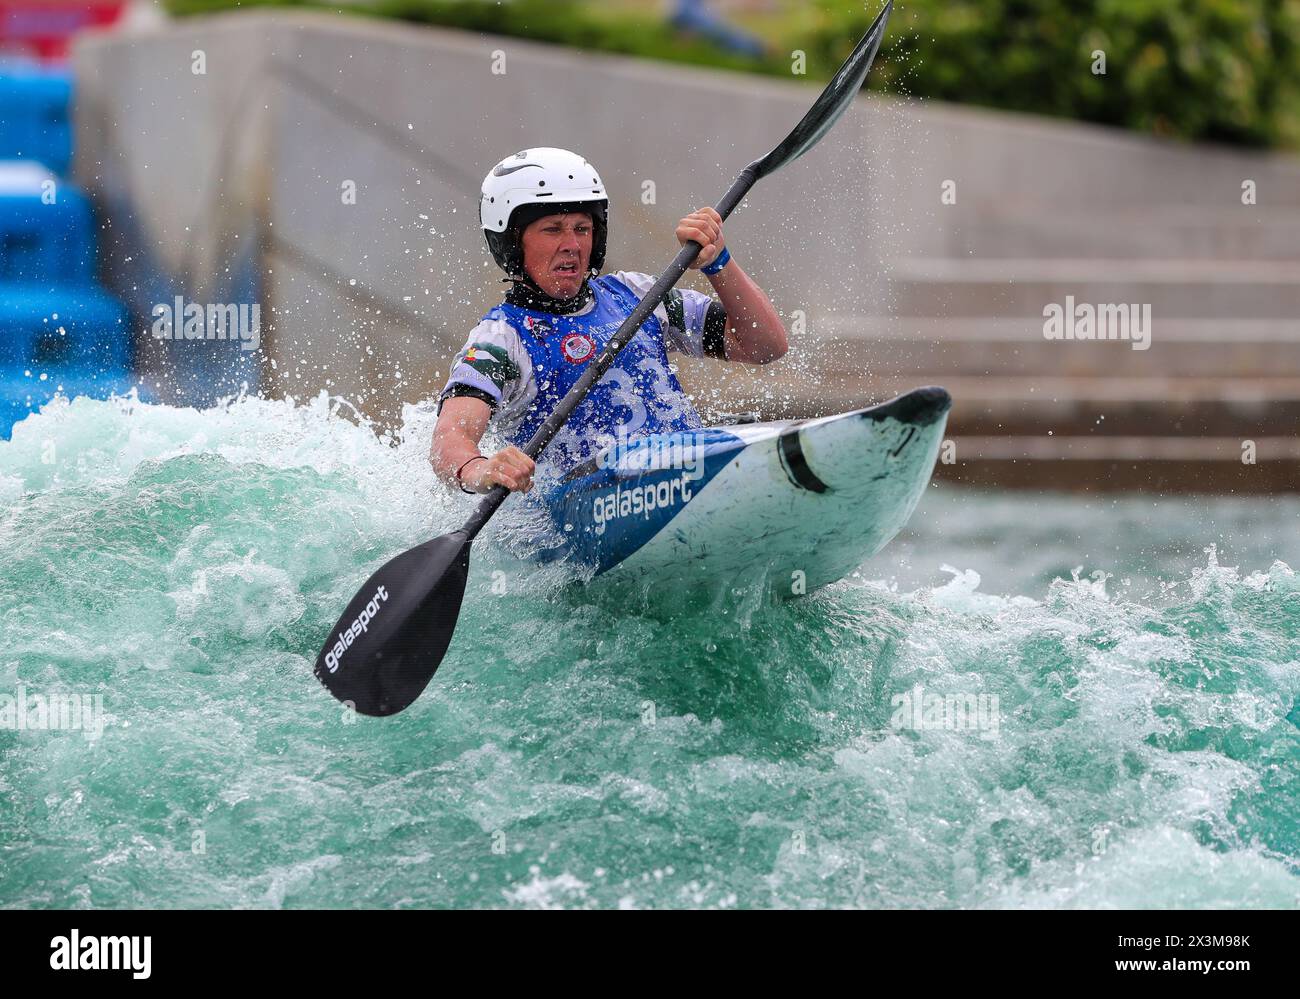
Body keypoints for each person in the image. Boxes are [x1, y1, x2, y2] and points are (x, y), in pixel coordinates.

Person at [431, 147, 787, 495]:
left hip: (684, 481)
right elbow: (451, 437)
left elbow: (765, 345)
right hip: (584, 517)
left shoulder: (638, 294)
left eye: (582, 228)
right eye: (553, 229)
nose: (572, 244)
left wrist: (718, 261)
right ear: (511, 244)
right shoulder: (500, 340)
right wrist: (480, 470)